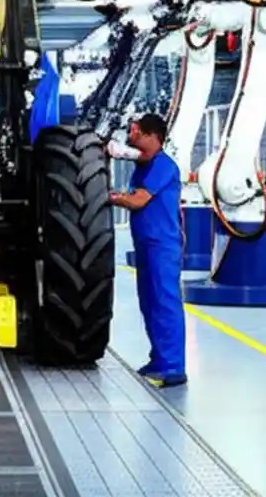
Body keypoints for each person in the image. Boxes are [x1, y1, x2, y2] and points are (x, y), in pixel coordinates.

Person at [108, 112, 188, 388]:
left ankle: (173, 366)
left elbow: (138, 201)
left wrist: (109, 197)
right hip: (146, 245)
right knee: (149, 303)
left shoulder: (163, 166)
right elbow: (135, 158)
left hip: (162, 247)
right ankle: (159, 359)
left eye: (136, 133)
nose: (132, 138)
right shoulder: (145, 165)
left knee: (165, 303)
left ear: (153, 136)